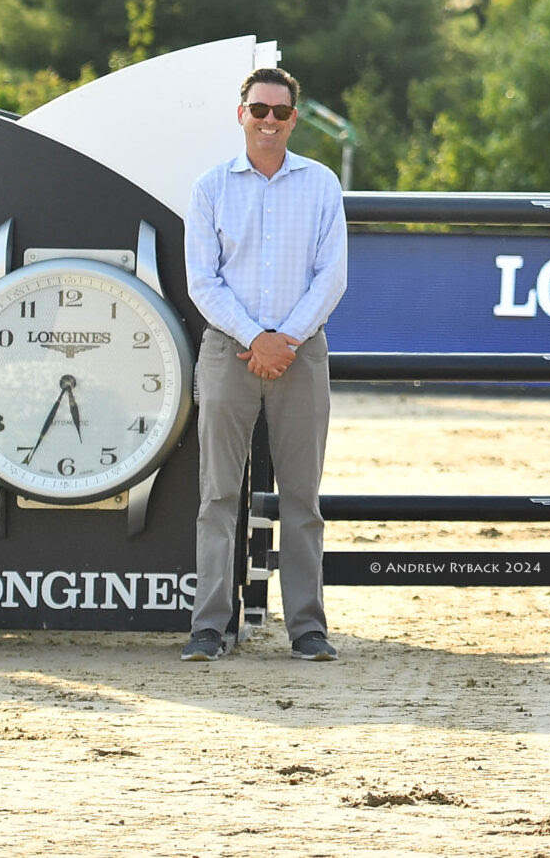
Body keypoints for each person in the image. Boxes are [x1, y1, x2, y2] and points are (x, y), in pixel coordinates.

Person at [180, 66, 348, 662]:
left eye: (280, 112)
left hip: (300, 354)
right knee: (218, 495)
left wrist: (286, 340)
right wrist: (257, 337)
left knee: (303, 498)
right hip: (230, 350)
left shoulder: (322, 184)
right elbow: (202, 280)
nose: (269, 121)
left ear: (295, 119)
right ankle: (210, 626)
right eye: (259, 110)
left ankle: (307, 628)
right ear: (241, 114)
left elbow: (333, 276)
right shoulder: (210, 188)